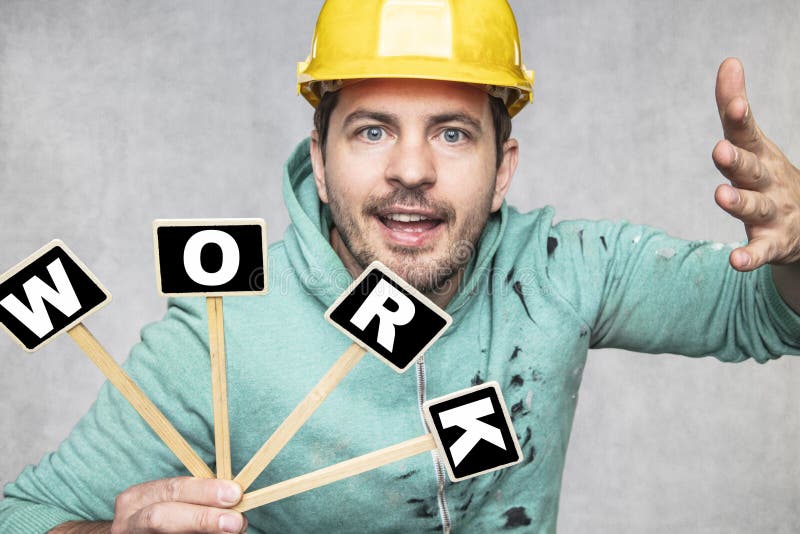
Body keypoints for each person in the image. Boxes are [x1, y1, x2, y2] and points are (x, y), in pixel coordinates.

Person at [2, 0, 799, 532]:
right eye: (373, 130)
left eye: (451, 132)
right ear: (319, 159)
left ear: (504, 168)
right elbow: (24, 514)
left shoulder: (563, 268)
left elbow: (765, 311)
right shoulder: (219, 330)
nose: (412, 169)